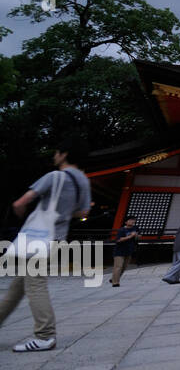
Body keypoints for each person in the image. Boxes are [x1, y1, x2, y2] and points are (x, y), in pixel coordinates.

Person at [0, 139, 92, 352]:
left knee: (35, 284)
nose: (54, 156)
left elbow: (20, 202)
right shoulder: (83, 182)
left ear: (64, 154)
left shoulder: (54, 176)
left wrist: (26, 216)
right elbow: (83, 212)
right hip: (57, 238)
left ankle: (45, 335)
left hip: (37, 239)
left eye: (56, 152)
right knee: (18, 287)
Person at [109, 216, 140, 286]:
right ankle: (115, 283)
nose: (132, 221)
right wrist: (130, 236)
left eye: (133, 220)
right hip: (119, 251)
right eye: (131, 220)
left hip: (129, 251)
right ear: (126, 222)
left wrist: (137, 236)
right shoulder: (121, 230)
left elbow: (139, 236)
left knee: (124, 268)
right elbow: (118, 240)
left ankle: (113, 278)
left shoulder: (135, 228)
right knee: (118, 267)